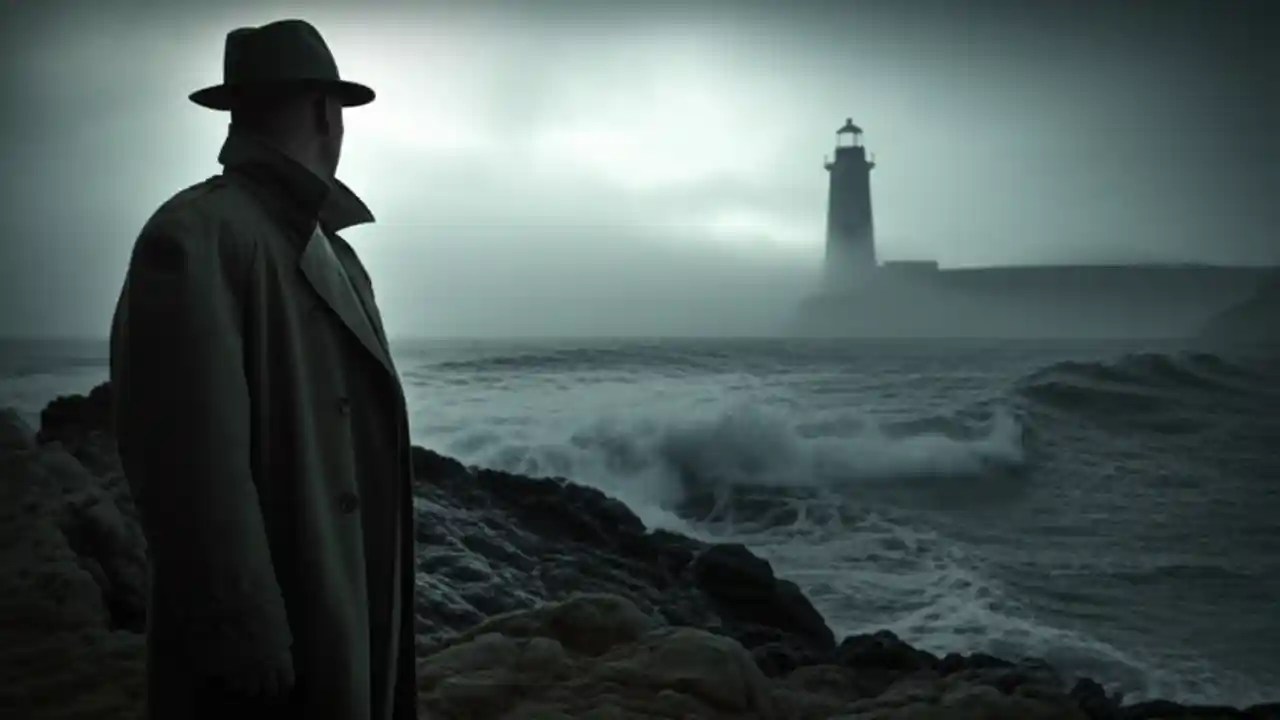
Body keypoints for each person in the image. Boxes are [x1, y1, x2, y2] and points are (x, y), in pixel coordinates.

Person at [109, 19, 417, 720]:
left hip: (333, 610)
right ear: (325, 111)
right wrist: (242, 623)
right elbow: (187, 464)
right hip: (270, 648)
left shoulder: (332, 252)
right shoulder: (194, 237)